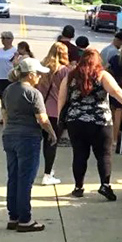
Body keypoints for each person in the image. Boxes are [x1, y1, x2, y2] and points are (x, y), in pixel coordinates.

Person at [58, 49, 122, 200]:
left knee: (79, 154)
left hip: (76, 121)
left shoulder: (71, 76)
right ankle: (105, 185)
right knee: (104, 154)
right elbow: (116, 91)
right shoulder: (102, 75)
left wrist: (62, 118)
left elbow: (62, 97)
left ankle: (78, 187)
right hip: (100, 121)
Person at [1, 57, 57, 233]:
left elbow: (5, 114)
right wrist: (52, 133)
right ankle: (25, 219)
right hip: (28, 137)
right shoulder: (34, 93)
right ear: (31, 75)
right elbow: (42, 119)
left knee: (14, 176)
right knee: (26, 179)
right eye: (38, 74)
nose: (40, 77)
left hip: (10, 135)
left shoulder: (9, 90)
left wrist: (7, 131)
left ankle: (14, 216)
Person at [37, 41, 71, 185]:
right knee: (51, 142)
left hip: (40, 109)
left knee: (39, 141)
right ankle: (47, 173)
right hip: (56, 111)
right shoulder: (65, 71)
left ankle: (40, 170)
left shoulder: (42, 67)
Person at [0, 31, 18, 125]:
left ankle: (12, 117)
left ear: (11, 40)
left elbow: (15, 63)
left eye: (7, 38)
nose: (4, 40)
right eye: (3, 38)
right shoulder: (0, 50)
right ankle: (3, 117)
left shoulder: (15, 51)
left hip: (9, 77)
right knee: (2, 98)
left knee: (10, 98)